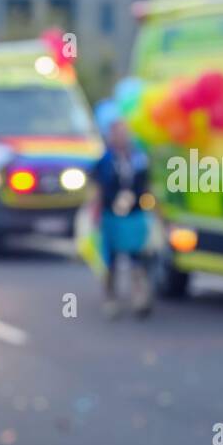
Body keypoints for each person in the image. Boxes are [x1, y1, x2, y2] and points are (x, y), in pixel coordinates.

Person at [91, 119, 152, 317]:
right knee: (111, 260)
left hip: (134, 214)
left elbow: (147, 186)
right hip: (111, 215)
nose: (122, 137)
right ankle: (111, 299)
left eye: (125, 133)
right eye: (118, 133)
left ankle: (140, 299)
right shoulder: (106, 160)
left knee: (138, 258)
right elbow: (98, 189)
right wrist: (95, 214)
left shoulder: (139, 158)